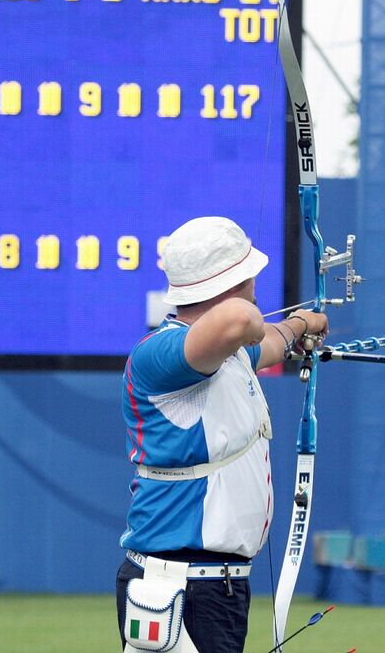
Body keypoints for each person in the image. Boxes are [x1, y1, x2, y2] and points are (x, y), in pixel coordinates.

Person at [116, 216, 328, 653]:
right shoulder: (160, 354)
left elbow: (267, 341)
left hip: (215, 588)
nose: (256, 284)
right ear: (233, 282)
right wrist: (250, 314)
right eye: (248, 275)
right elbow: (239, 320)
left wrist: (301, 326)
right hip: (179, 588)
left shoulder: (225, 356)